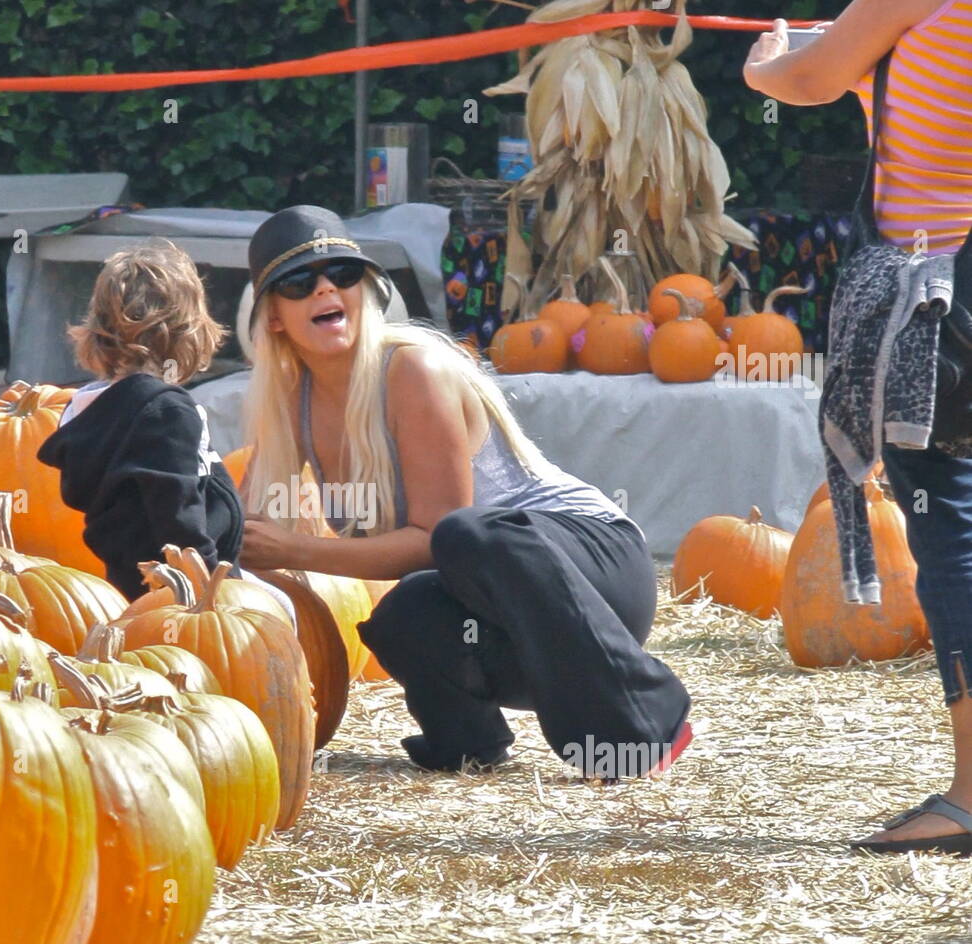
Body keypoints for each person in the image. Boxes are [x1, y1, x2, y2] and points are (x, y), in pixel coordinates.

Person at [236, 205, 693, 776]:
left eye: (343, 274)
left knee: (463, 534)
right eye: (299, 283)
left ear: (364, 290)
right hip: (522, 621)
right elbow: (246, 532)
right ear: (274, 317)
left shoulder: (412, 371)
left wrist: (297, 551)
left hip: (597, 574)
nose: (326, 287)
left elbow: (434, 537)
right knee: (404, 614)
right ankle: (467, 741)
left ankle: (644, 727)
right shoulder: (288, 408)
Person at [746, 0, 972, 854]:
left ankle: (971, 795)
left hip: (939, 294)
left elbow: (809, 78)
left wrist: (764, 62)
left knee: (955, 529)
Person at [37, 239, 242, 601]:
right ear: (189, 333)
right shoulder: (167, 414)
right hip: (188, 594)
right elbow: (178, 513)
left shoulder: (89, 411)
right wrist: (207, 586)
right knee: (283, 610)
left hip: (129, 586)